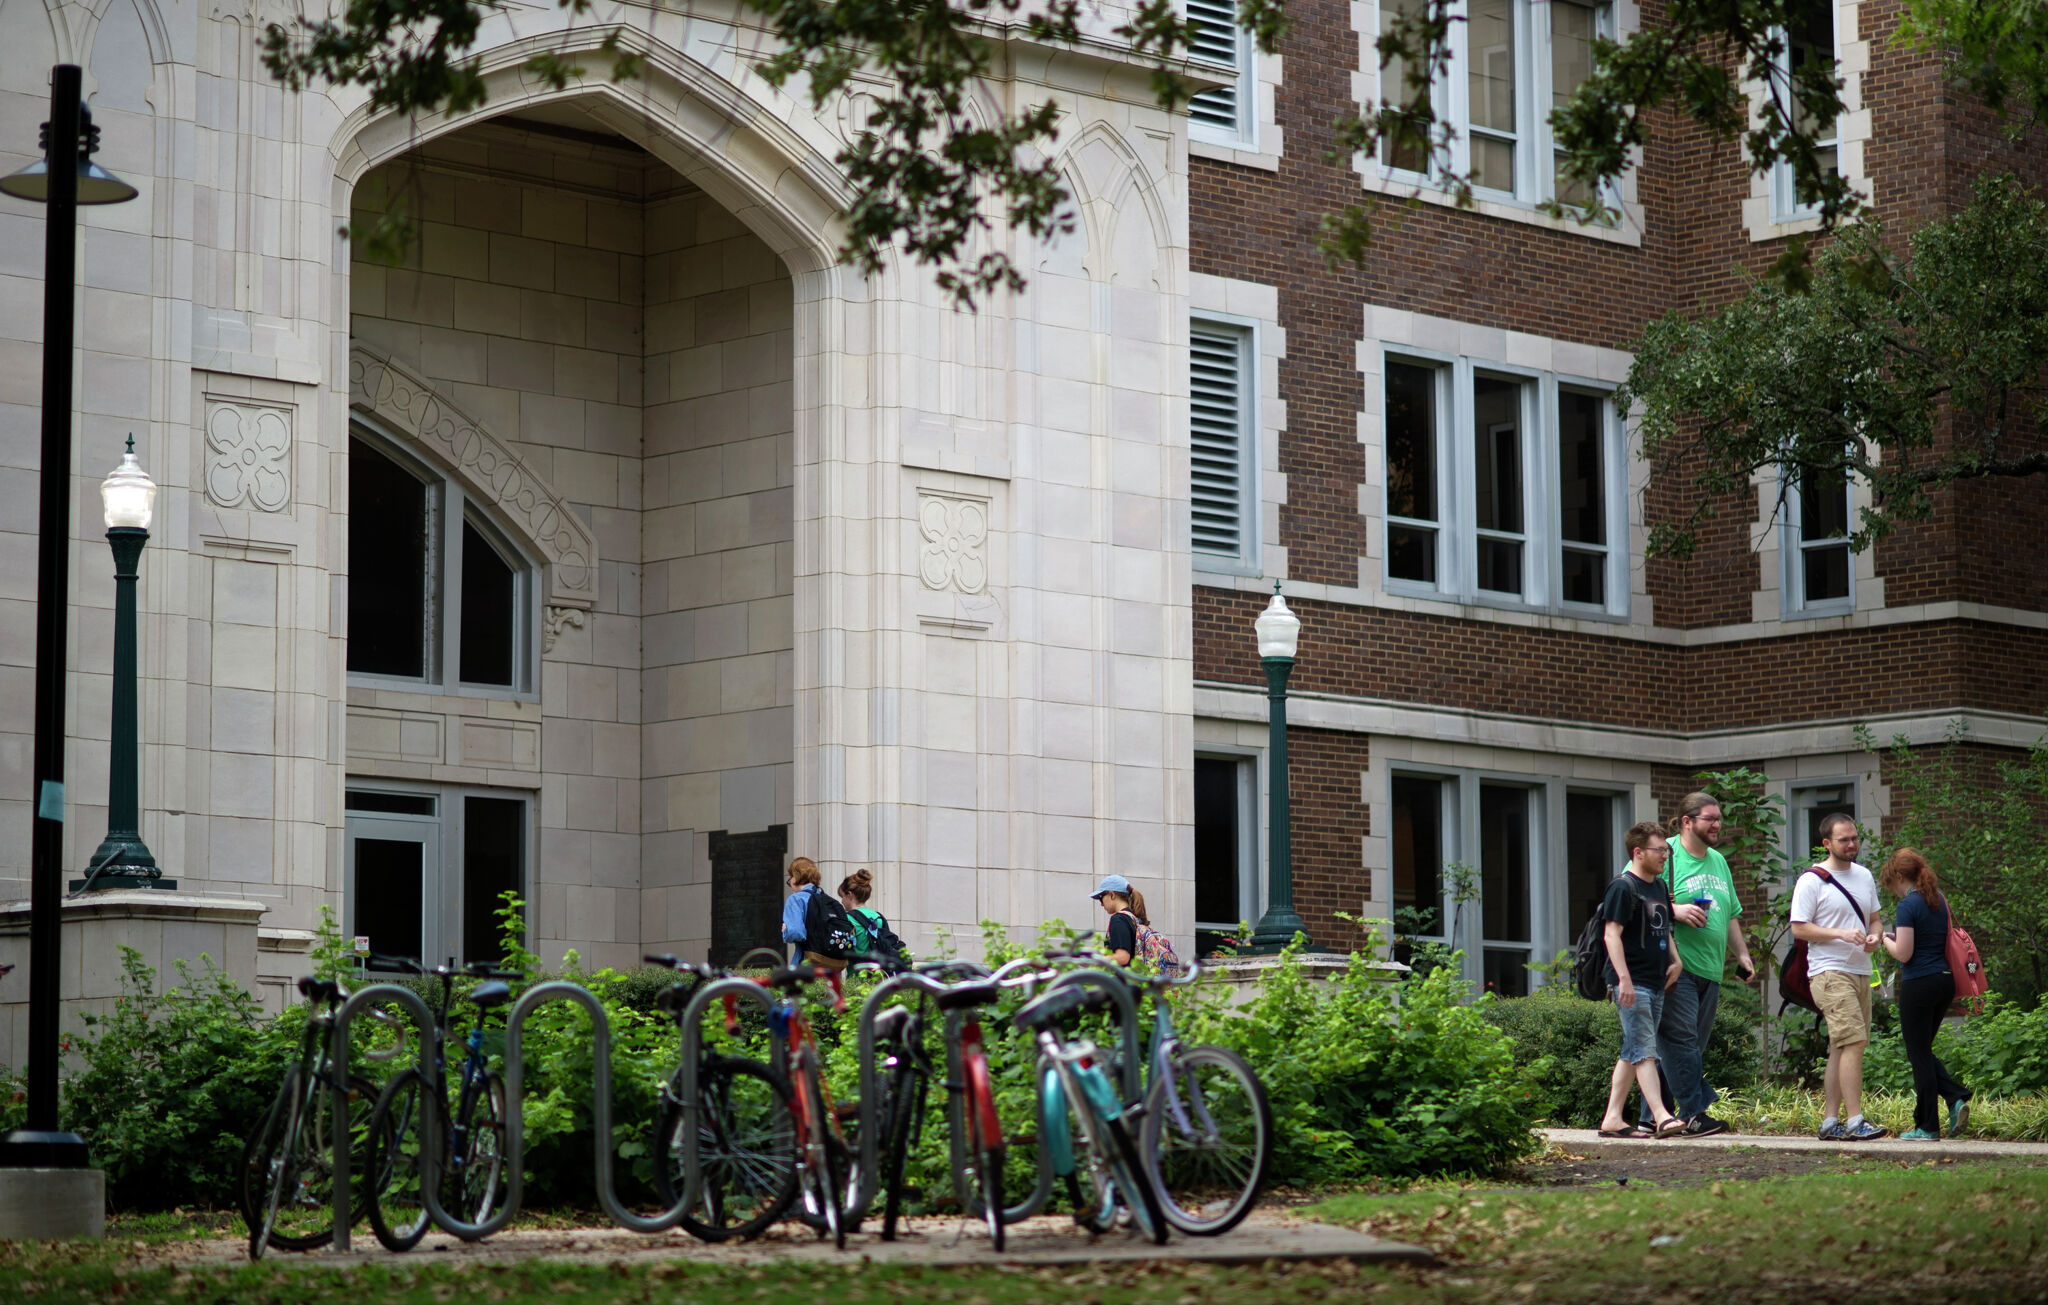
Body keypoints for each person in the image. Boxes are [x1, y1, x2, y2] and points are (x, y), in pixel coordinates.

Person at [1638, 793, 1758, 1137]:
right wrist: (1674, 910)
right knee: (1681, 1041)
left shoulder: (1718, 860)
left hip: (1711, 969)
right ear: (1687, 821)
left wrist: (1742, 954)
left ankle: (1651, 1117)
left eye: (1719, 818)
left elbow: (1730, 913)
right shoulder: (1665, 853)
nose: (1717, 824)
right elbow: (1634, 893)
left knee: (1685, 1047)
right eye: (1710, 819)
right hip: (1676, 967)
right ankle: (1693, 1113)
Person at [1789, 812, 1886, 1141]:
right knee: (1854, 1042)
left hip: (1860, 971)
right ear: (1827, 843)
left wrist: (1874, 938)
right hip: (1828, 972)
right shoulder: (1812, 880)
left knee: (1841, 1046)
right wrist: (1841, 934)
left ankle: (1831, 1122)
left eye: (1855, 838)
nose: (1852, 844)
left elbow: (1875, 920)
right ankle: (1856, 1121)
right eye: (1844, 839)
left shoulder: (1864, 876)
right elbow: (1799, 928)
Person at [1598, 822, 1688, 1138]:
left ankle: (1612, 1118)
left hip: (1655, 980)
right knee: (1645, 1050)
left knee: (1632, 1049)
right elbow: (1612, 935)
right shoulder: (1623, 887)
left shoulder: (1659, 886)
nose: (1665, 855)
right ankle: (1662, 1116)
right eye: (1659, 850)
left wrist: (1676, 960)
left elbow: (1663, 929)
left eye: (1667, 850)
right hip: (1631, 982)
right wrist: (1622, 979)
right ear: (1638, 852)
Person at [1880, 848, 1972, 1139]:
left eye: (1891, 886)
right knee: (1922, 1051)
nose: (1893, 892)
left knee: (1917, 1054)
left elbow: (1904, 954)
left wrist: (1885, 939)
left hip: (1919, 983)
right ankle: (1955, 1097)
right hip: (1944, 981)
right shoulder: (1937, 899)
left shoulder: (1908, 905)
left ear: (1897, 876)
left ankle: (1927, 1126)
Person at [780, 855, 844, 968]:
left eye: (791, 877)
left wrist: (786, 930)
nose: (790, 882)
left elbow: (796, 933)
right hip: (833, 967)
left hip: (808, 964)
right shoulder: (830, 900)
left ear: (796, 877)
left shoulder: (796, 899)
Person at [837, 868, 904, 960]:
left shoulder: (848, 919)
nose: (842, 901)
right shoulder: (878, 917)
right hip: (878, 972)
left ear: (849, 894)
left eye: (842, 896)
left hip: (857, 972)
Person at [1090, 874, 1147, 966]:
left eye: (1101, 898)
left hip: (1123, 979)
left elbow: (1122, 957)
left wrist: (1096, 960)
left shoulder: (1118, 919)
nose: (1101, 904)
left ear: (1112, 895)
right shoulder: (1133, 918)